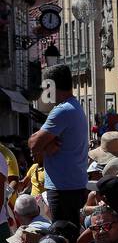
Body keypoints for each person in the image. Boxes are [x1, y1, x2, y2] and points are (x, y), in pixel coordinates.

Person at [28, 65, 89, 223]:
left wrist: (44, 146)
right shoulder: (74, 107)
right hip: (73, 185)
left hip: (62, 188)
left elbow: (33, 143)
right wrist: (47, 146)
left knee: (62, 237)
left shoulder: (61, 111)